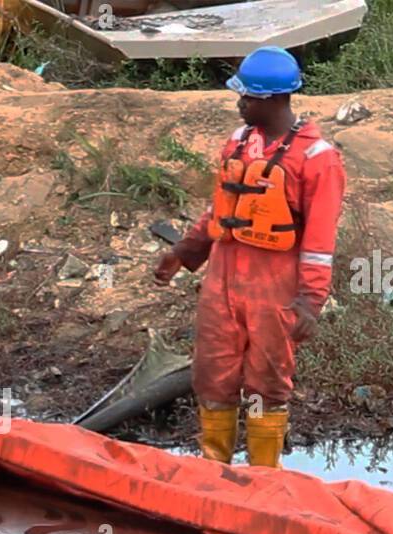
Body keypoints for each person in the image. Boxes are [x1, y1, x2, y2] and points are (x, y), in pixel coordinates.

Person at [153, 46, 345, 468]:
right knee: (213, 375)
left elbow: (319, 240)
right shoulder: (239, 143)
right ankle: (213, 472)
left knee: (265, 382)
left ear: (275, 99)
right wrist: (183, 253)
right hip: (223, 277)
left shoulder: (318, 160)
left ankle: (263, 479)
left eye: (248, 97)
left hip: (275, 286)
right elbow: (219, 209)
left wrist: (311, 301)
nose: (239, 103)